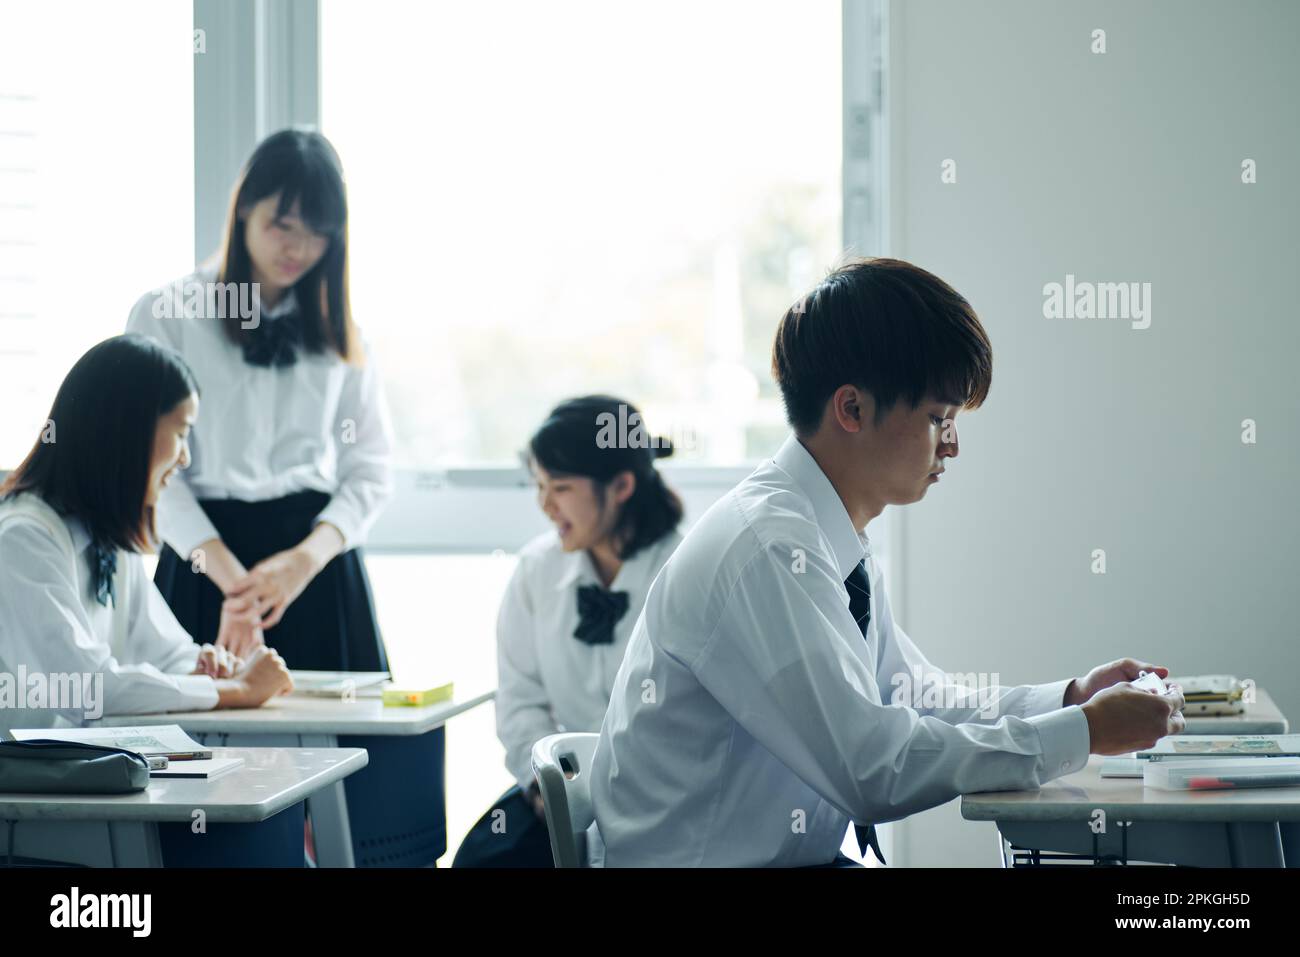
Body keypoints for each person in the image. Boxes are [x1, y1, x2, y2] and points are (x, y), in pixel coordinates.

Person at [588, 257, 1187, 867]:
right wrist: (1083, 733)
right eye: (937, 418)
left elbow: (909, 695)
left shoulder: (827, 535)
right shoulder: (771, 548)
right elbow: (871, 769)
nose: (952, 444)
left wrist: (1070, 699)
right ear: (851, 409)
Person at [126, 128, 393, 672]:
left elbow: (370, 467)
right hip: (203, 556)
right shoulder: (166, 314)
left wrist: (303, 562)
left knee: (344, 748)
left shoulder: (345, 333)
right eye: (282, 226)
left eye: (318, 234)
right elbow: (147, 463)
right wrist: (235, 584)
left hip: (314, 568)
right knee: (194, 747)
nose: (298, 249)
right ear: (245, 206)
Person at [0, 335, 293, 730]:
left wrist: (207, 668)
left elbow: (165, 653)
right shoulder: (22, 539)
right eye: (181, 432)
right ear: (129, 434)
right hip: (29, 782)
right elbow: (85, 689)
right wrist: (237, 692)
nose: (185, 457)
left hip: (82, 772)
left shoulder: (106, 533)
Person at [453, 396, 684, 867]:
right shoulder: (536, 571)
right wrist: (545, 785)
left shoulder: (685, 573)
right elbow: (520, 700)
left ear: (621, 485)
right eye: (538, 486)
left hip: (665, 798)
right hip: (559, 791)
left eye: (558, 488)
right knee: (484, 859)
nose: (544, 505)